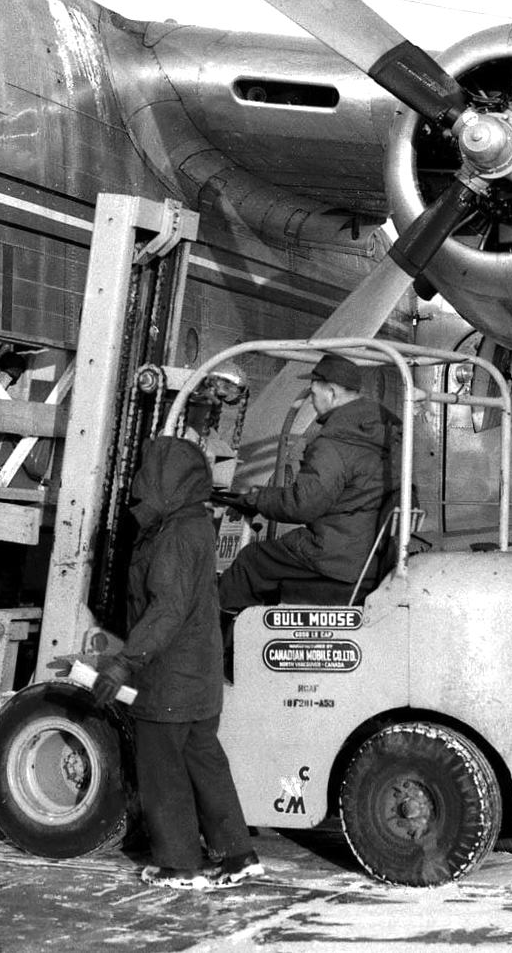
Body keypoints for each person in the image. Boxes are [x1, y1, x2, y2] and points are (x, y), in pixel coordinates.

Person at [90, 435, 262, 889]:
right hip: (200, 676)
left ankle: (179, 864)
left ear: (167, 481)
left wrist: (124, 663)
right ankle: (236, 854)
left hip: (170, 677)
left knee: (162, 772)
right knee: (206, 766)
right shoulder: (196, 524)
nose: (138, 488)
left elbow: (166, 609)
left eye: (146, 478)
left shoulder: (172, 538)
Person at [214, 354, 391, 615]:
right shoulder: (383, 434)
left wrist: (257, 498)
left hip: (334, 555)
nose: (312, 401)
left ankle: (219, 635)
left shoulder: (335, 443)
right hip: (371, 554)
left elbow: (304, 505)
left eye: (314, 393)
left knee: (251, 562)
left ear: (331, 393)